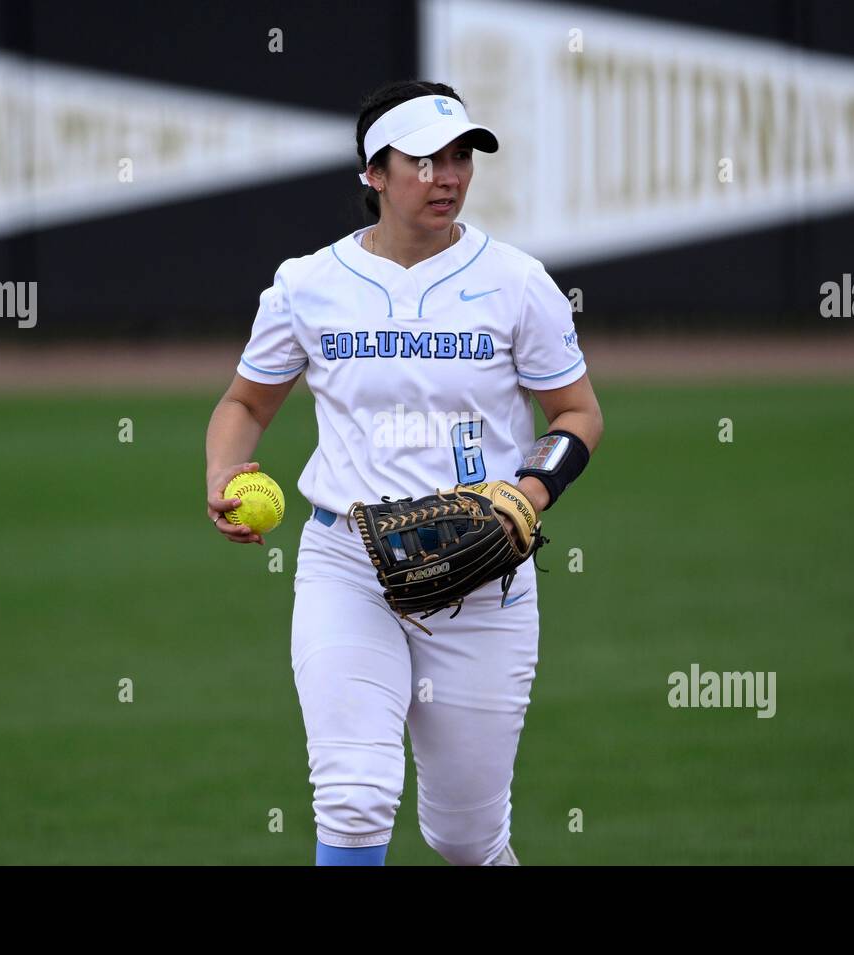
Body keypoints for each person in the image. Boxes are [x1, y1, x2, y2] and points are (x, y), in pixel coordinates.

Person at [205, 79, 604, 865]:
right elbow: (244, 403)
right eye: (423, 160)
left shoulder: (517, 282)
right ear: (373, 174)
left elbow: (578, 414)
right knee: (353, 800)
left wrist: (527, 494)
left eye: (460, 158)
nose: (447, 176)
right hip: (345, 564)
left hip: (483, 573)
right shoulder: (308, 284)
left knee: (466, 838)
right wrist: (222, 468)